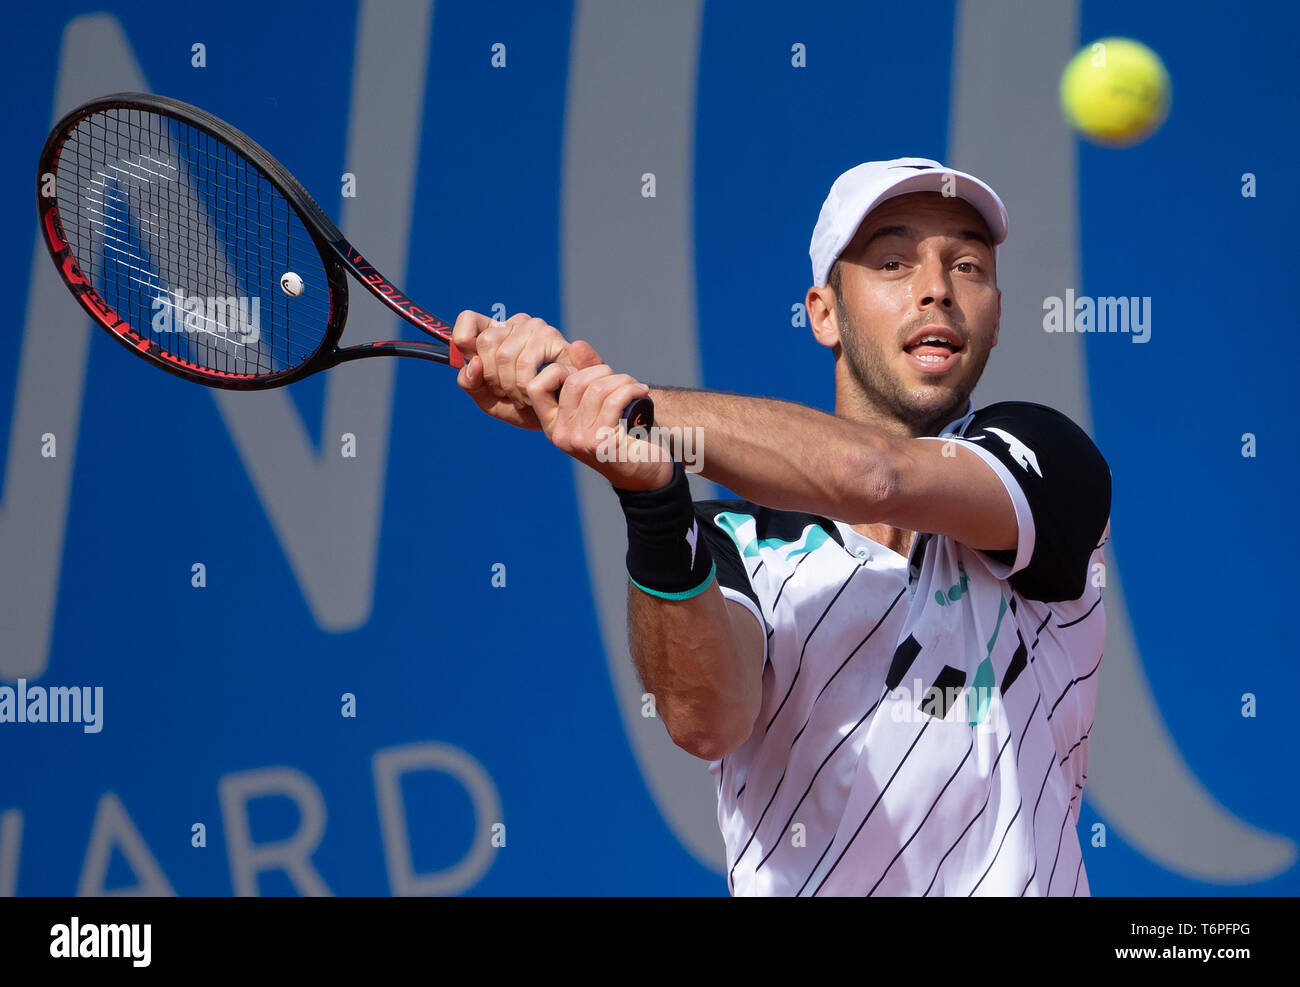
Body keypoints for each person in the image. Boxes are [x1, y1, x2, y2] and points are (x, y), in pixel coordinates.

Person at [452, 157, 1111, 896]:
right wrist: (652, 498)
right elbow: (705, 719)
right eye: (894, 261)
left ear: (995, 314)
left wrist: (623, 407)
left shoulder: (1048, 469)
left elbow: (878, 476)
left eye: (968, 265)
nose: (937, 289)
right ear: (823, 312)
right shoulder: (729, 546)